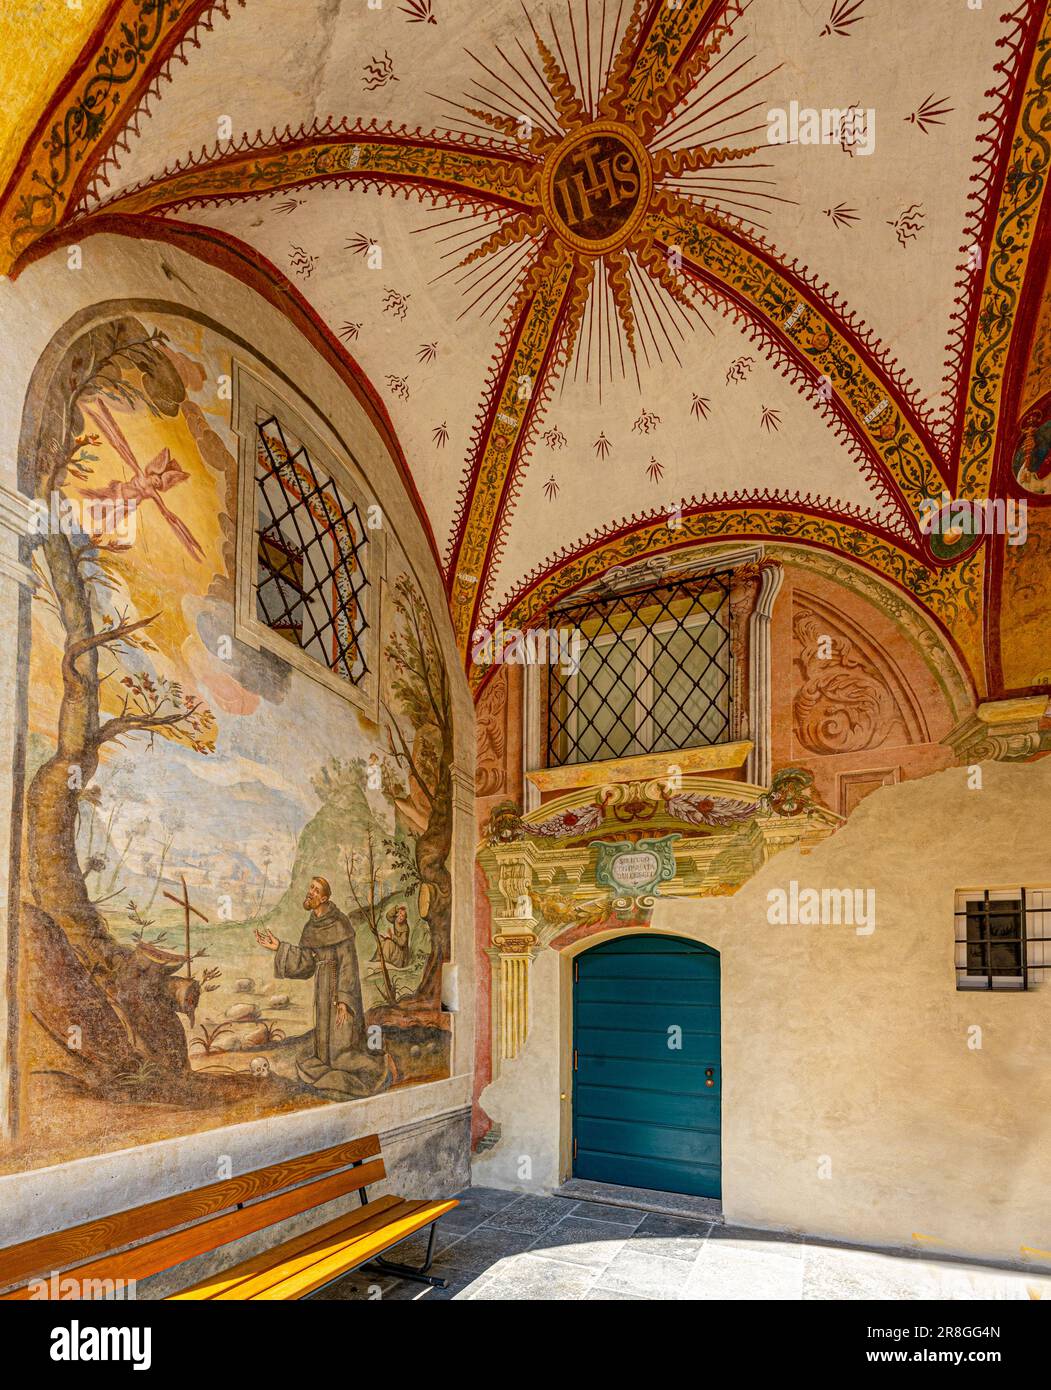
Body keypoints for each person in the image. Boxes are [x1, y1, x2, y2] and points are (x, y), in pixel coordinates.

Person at [255, 875, 389, 1098]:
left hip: (340, 991)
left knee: (342, 1054)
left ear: (324, 898)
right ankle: (336, 1069)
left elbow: (349, 964)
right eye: (311, 887)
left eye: (316, 890)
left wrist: (345, 1001)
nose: (311, 892)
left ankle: (380, 1065)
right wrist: (278, 947)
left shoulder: (340, 923)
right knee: (324, 1055)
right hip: (322, 989)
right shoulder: (311, 926)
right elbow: (307, 962)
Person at [372, 903, 411, 968]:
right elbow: (388, 916)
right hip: (396, 946)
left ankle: (384, 961)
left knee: (388, 943)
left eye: (403, 916)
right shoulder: (396, 920)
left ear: (405, 918)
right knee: (382, 940)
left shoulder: (405, 928)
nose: (400, 917)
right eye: (400, 914)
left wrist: (392, 936)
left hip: (400, 953)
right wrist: (396, 908)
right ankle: (378, 959)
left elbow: (402, 943)